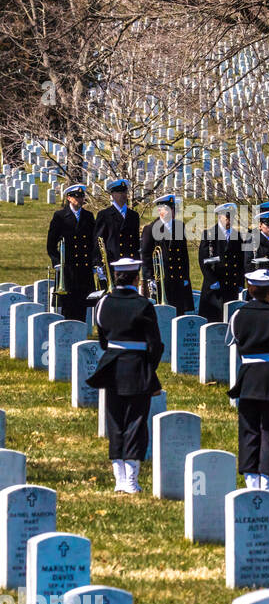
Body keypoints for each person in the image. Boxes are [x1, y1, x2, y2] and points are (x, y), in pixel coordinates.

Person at [86, 258, 163, 494]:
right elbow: (155, 344)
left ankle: (120, 478)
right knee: (136, 422)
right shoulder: (143, 305)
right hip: (137, 366)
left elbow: (102, 340)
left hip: (111, 366)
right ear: (136, 277)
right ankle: (130, 480)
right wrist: (149, 366)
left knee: (115, 421)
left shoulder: (103, 303)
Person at [225, 269, 269, 491]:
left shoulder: (238, 315)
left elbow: (238, 348)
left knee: (249, 430)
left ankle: (250, 480)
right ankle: (266, 481)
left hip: (248, 378)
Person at [46, 183, 101, 321]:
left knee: (82, 304)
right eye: (76, 196)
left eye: (82, 196)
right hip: (68, 268)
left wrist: (95, 262)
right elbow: (51, 244)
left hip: (84, 267)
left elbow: (93, 242)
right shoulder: (59, 216)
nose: (80, 199)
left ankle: (80, 334)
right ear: (69, 198)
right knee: (68, 304)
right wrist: (57, 263)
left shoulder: (88, 216)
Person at [141, 194, 193, 313]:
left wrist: (186, 277)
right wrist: (150, 278)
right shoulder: (150, 229)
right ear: (160, 210)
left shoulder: (179, 226)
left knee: (179, 312)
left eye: (173, 208)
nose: (172, 212)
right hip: (161, 280)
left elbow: (184, 255)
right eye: (168, 209)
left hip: (177, 278)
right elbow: (146, 256)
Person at [198, 202, 249, 322]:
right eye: (227, 216)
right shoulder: (209, 234)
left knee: (229, 321)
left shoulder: (237, 236)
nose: (229, 220)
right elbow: (203, 261)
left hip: (231, 286)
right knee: (213, 321)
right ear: (220, 216)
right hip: (214, 287)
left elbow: (241, 262)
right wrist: (212, 280)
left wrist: (241, 282)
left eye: (232, 216)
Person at [95, 178, 141, 263]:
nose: (123, 195)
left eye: (124, 192)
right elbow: (99, 241)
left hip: (131, 262)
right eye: (120, 192)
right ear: (113, 194)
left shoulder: (134, 215)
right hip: (113, 261)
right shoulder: (104, 215)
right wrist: (99, 263)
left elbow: (135, 241)